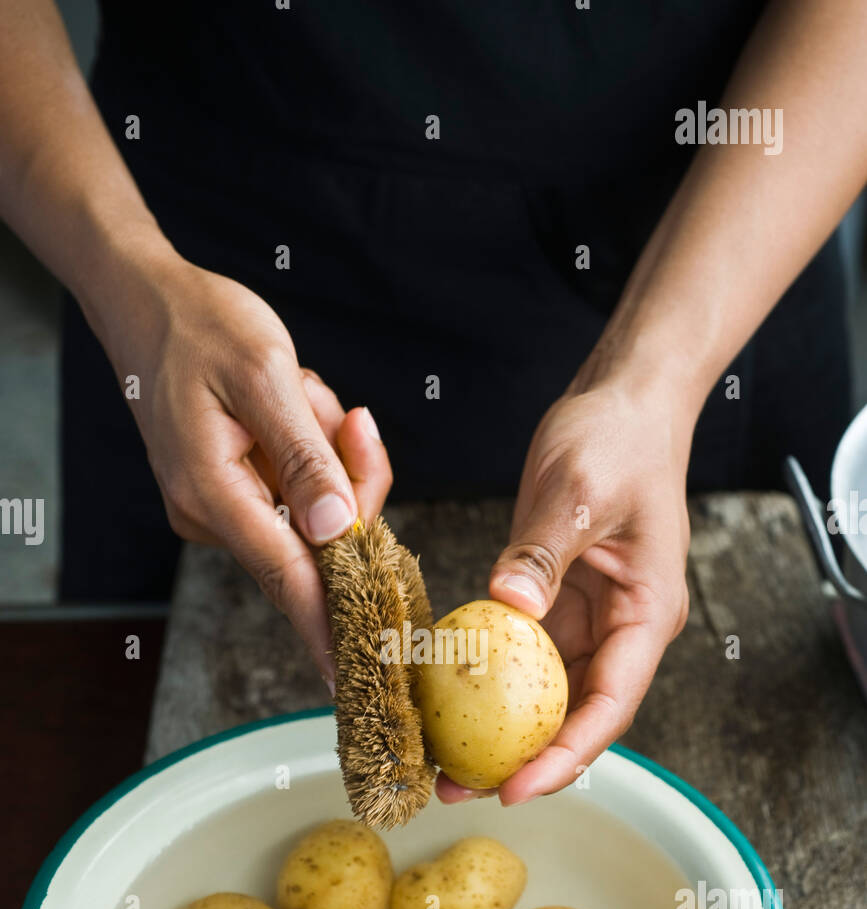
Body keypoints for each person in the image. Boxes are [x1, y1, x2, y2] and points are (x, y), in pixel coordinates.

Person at [0, 1, 863, 807]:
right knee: (114, 759)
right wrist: (128, 276)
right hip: (190, 259)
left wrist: (656, 381)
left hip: (715, 224)